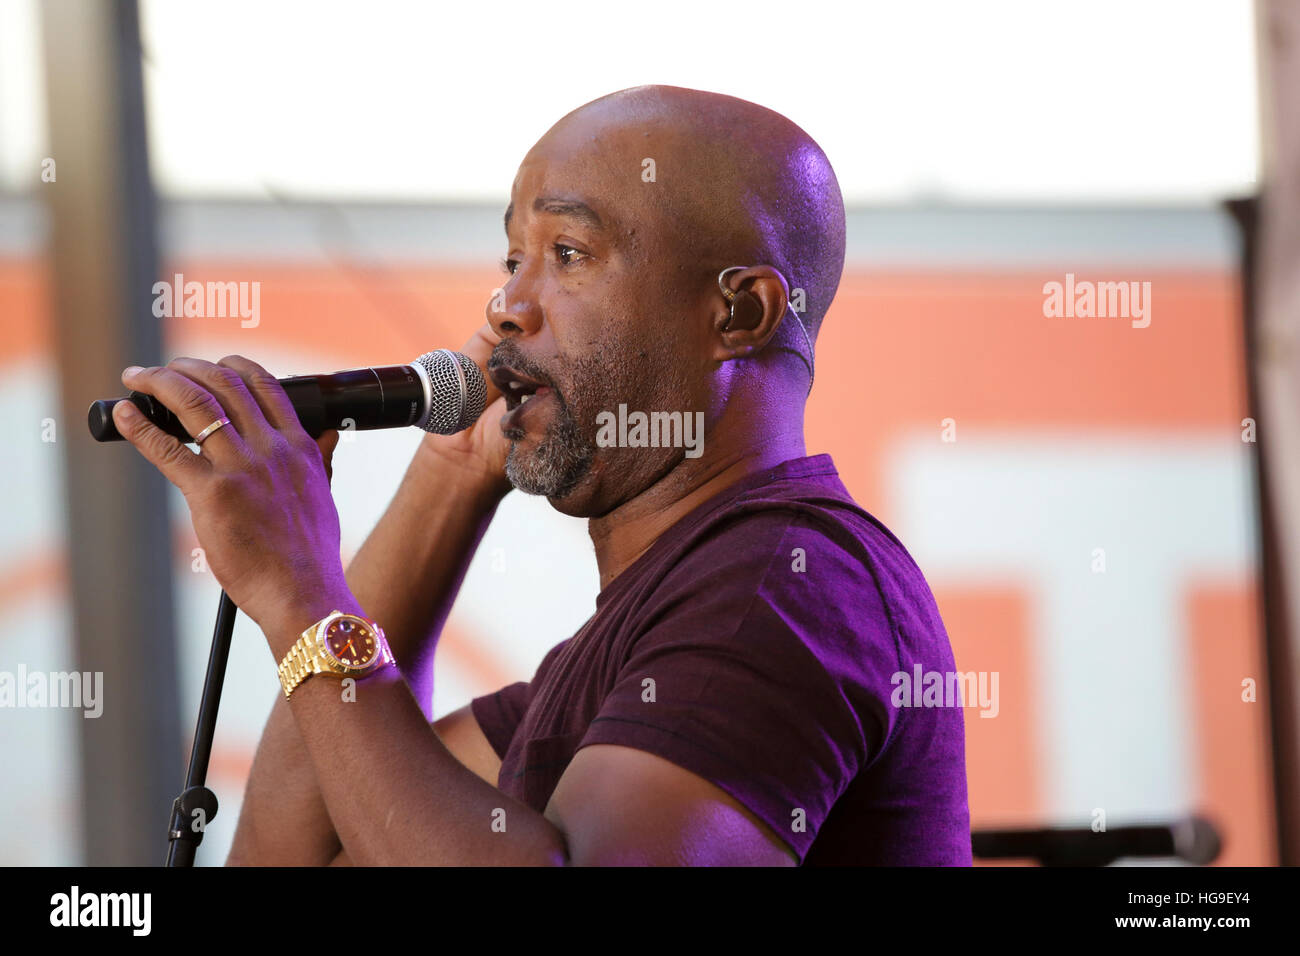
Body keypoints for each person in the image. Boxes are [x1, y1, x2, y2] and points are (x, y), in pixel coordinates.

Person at [112, 85, 971, 865]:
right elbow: (298, 851)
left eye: (567, 253)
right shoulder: (607, 667)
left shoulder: (787, 583)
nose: (506, 308)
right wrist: (451, 472)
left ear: (738, 312)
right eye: (510, 261)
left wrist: (304, 591)